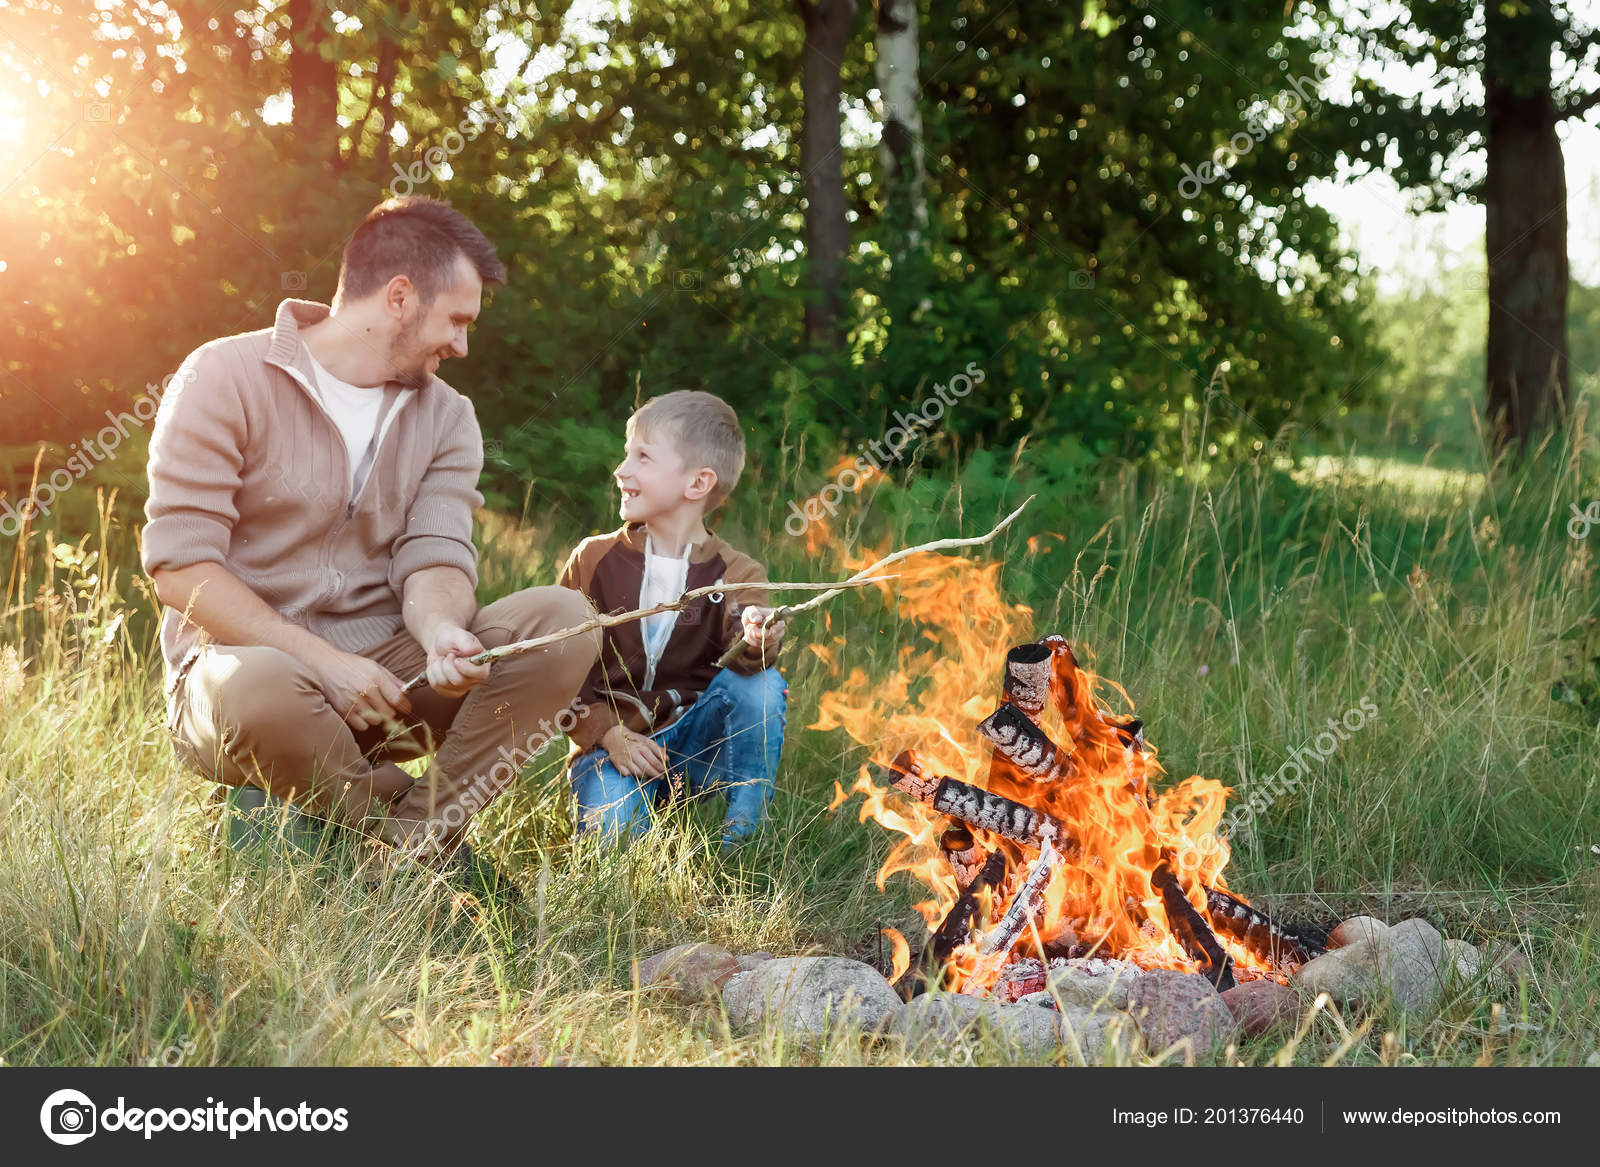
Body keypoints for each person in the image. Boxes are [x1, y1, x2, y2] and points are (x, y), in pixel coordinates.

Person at [141, 195, 600, 870]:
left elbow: (435, 557)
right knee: (264, 686)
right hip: (241, 684)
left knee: (565, 620)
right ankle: (387, 820)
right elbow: (180, 569)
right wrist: (324, 665)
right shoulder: (224, 375)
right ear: (399, 296)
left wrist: (443, 631)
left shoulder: (448, 416)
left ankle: (419, 830)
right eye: (457, 320)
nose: (463, 345)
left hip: (386, 685)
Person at [558, 391, 788, 848]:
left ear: (697, 484)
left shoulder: (737, 572)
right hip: (612, 751)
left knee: (762, 685)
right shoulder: (594, 559)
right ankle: (630, 816)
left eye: (642, 456)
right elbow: (557, 669)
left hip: (691, 748)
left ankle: (742, 842)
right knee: (619, 842)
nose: (621, 470)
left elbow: (745, 648)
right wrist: (606, 733)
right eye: (627, 454)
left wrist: (757, 636)